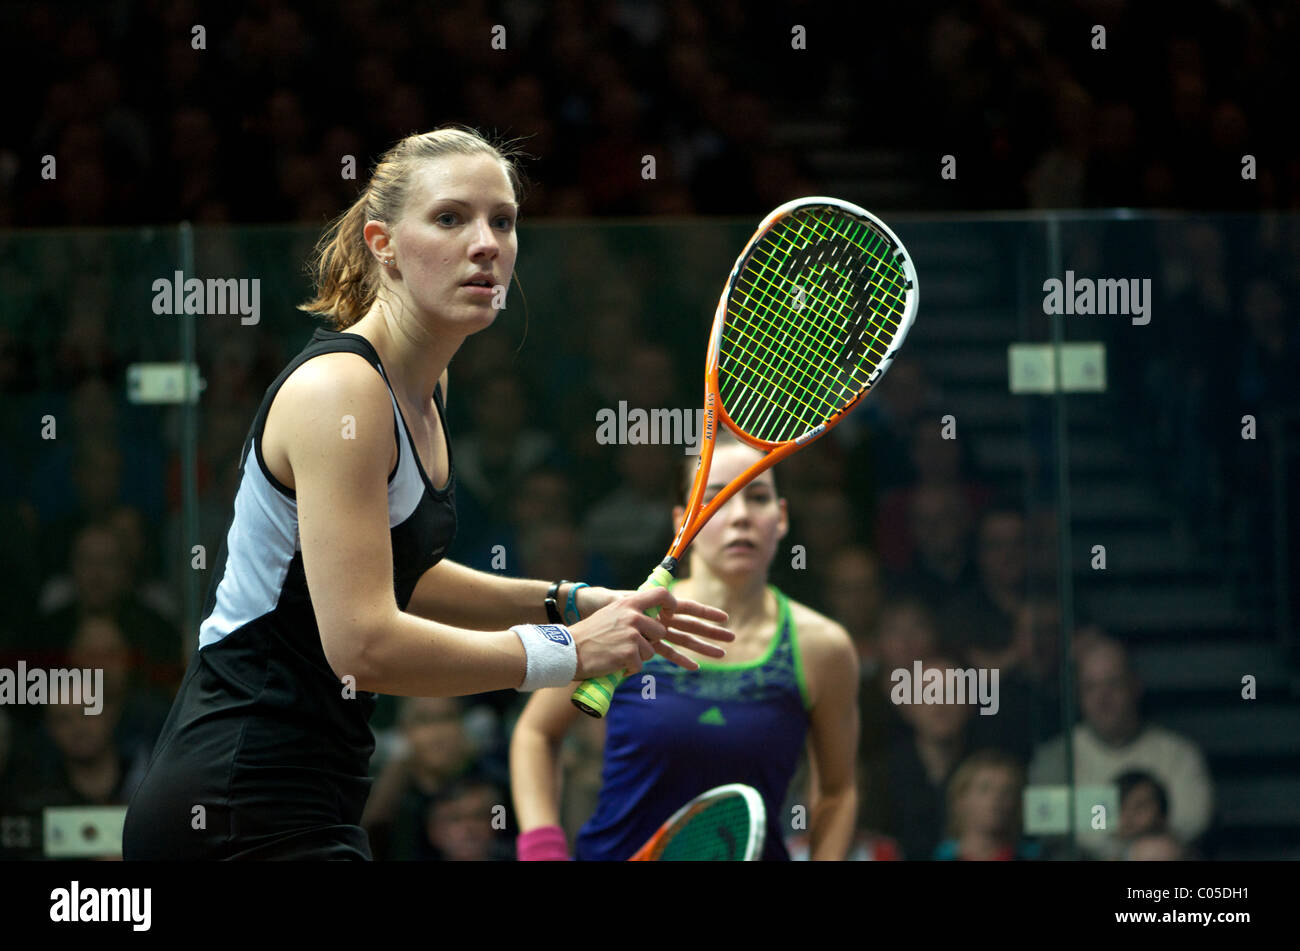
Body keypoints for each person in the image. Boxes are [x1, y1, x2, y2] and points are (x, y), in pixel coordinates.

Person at [122, 127, 731, 860]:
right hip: (236, 801)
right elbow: (364, 644)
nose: (486, 244)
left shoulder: (424, 388)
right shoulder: (342, 391)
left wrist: (568, 599)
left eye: (502, 221)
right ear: (382, 242)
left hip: (312, 795)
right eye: (450, 219)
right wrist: (566, 650)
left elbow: (399, 571)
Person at [510, 433, 860, 860]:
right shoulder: (624, 622)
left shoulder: (823, 648)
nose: (740, 517)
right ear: (683, 520)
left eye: (758, 497)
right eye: (716, 499)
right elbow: (535, 732)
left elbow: (838, 791)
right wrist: (542, 849)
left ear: (781, 516)